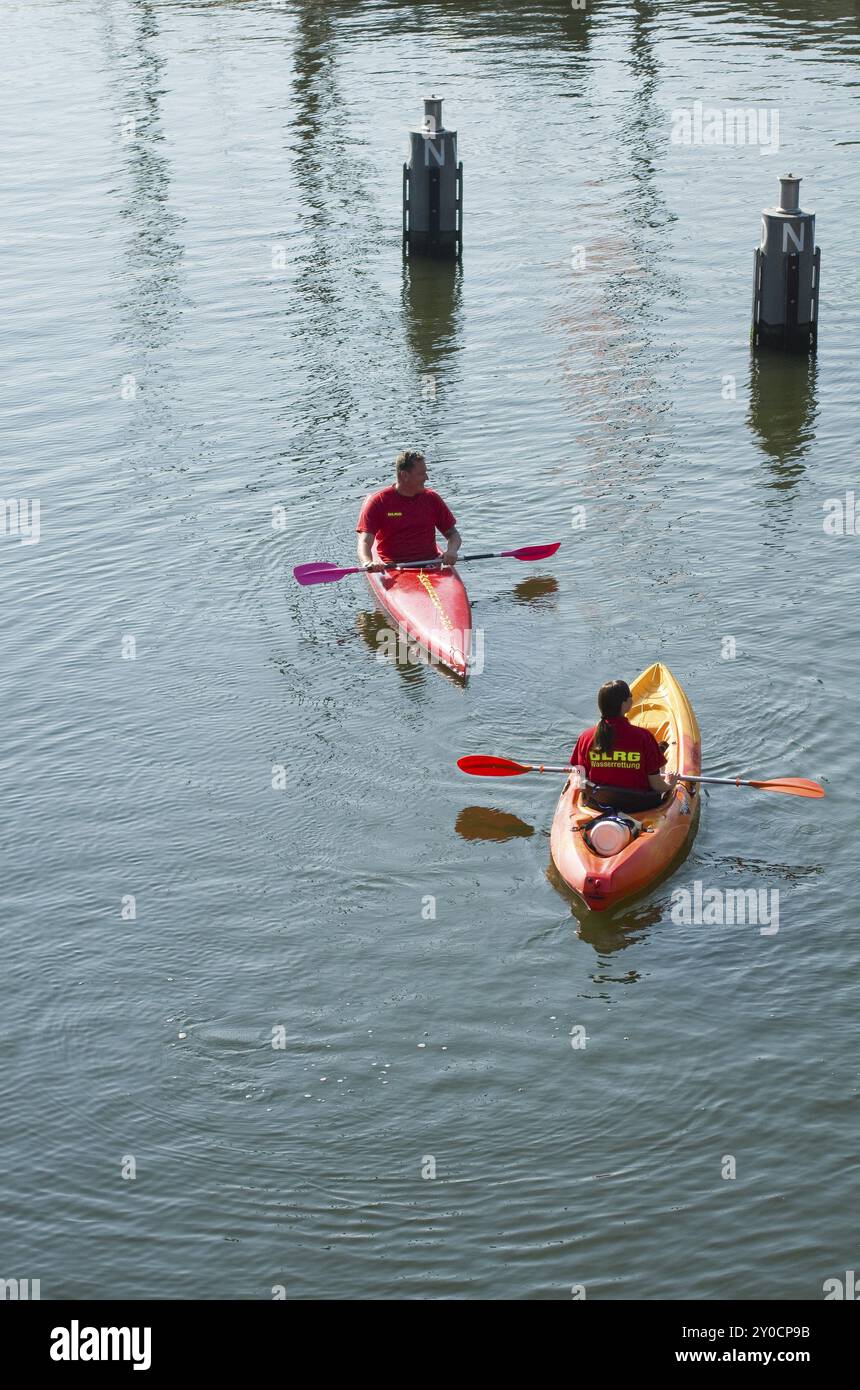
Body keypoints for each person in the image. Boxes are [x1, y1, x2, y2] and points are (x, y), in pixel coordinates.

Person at [570, 678, 677, 813]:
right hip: (640, 807)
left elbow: (580, 778)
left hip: (599, 804)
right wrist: (670, 784)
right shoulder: (644, 737)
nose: (632, 699)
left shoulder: (585, 737)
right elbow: (657, 786)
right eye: (630, 697)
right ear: (625, 704)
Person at [356, 450, 462, 574]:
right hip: (392, 566)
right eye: (421, 474)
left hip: (430, 563)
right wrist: (368, 562)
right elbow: (364, 541)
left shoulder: (432, 498)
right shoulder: (378, 502)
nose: (427, 478)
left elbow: (453, 534)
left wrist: (452, 550)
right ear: (404, 475)